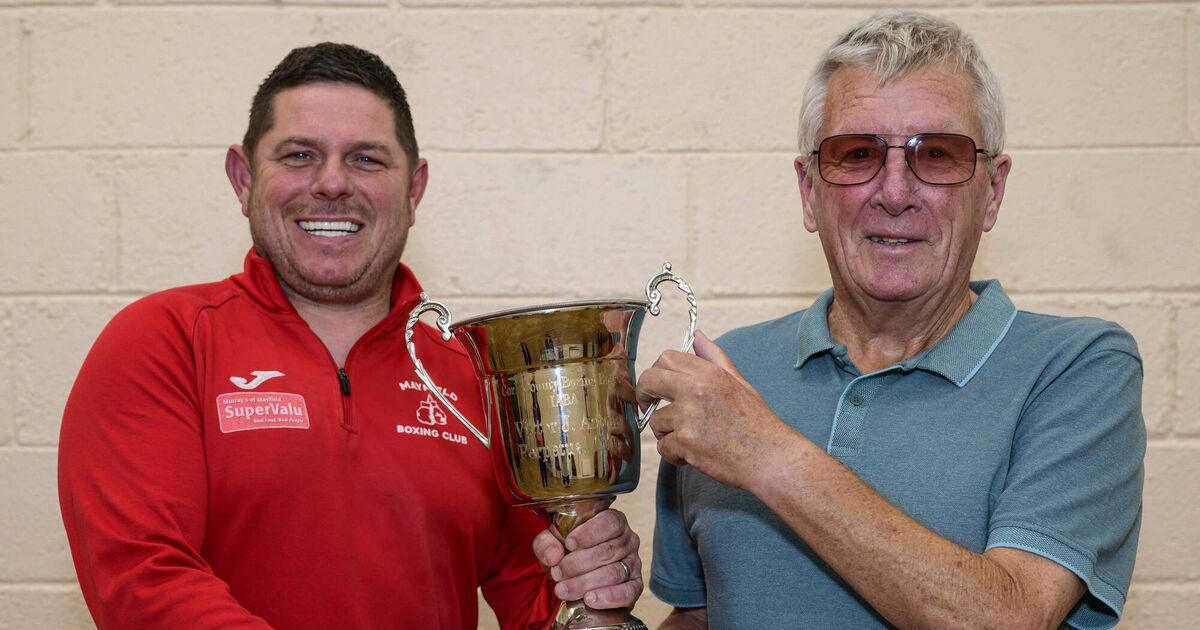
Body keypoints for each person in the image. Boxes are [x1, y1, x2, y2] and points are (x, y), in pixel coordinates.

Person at [58, 42, 643, 629]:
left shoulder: (476, 374)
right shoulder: (163, 341)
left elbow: (538, 603)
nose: (332, 183)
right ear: (243, 179)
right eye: (298, 155)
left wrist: (594, 587)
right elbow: (142, 579)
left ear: (413, 191)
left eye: (366, 159)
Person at [639, 11, 1145, 629]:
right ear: (809, 191)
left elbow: (1010, 619)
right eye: (857, 154)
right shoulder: (728, 373)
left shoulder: (1079, 368)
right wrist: (607, 613)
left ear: (993, 190)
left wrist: (769, 456)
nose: (897, 192)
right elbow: (699, 618)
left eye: (938, 154)